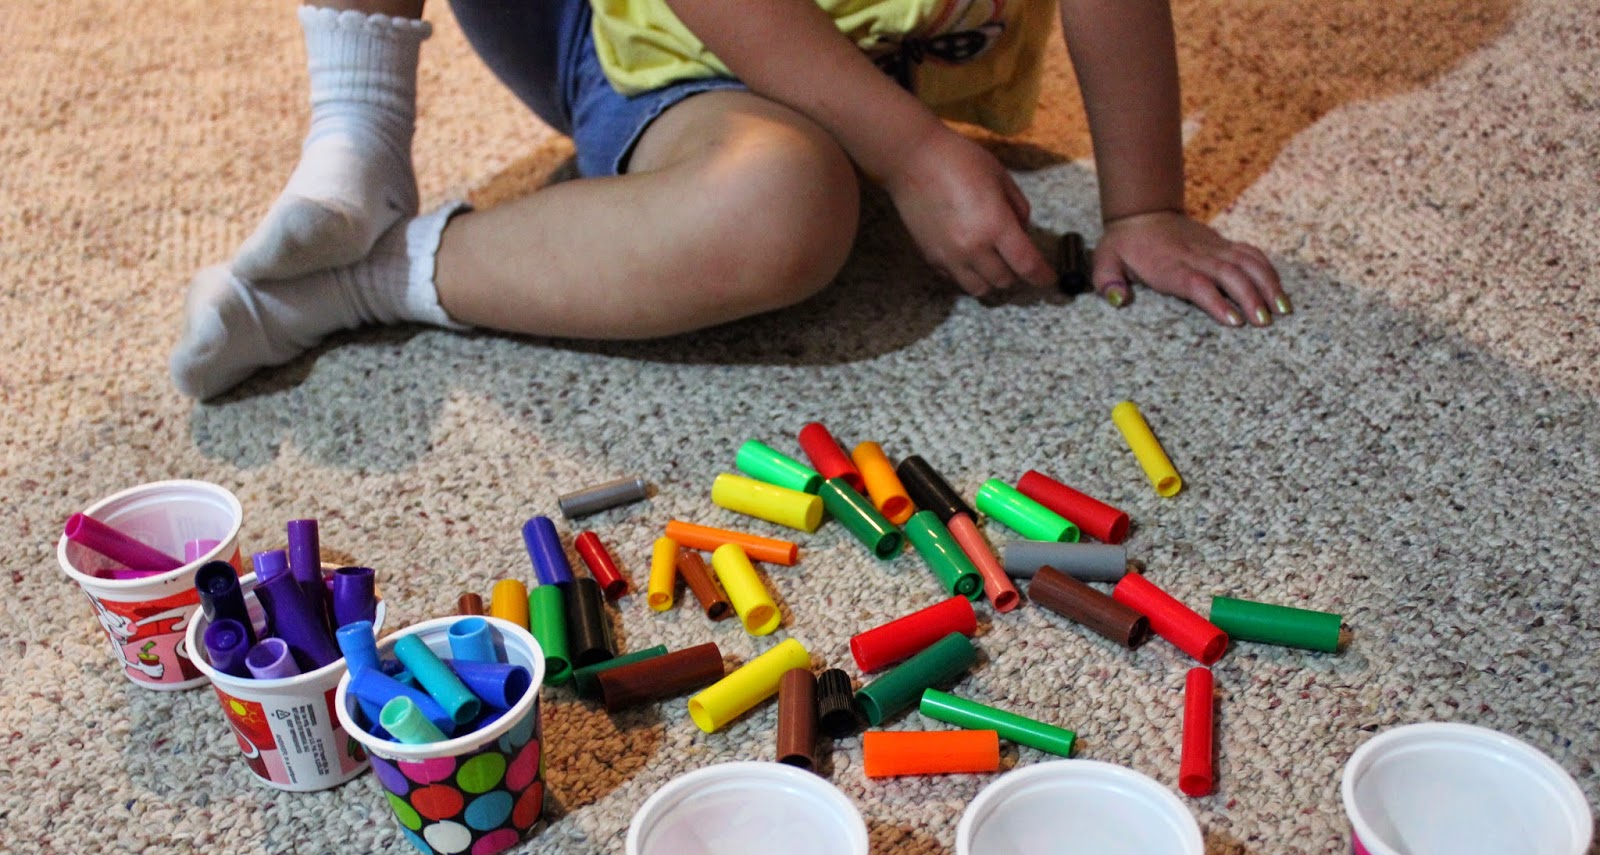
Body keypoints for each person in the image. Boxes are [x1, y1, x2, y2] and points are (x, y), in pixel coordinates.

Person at [170, 0, 1292, 401]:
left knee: (780, 209)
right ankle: (357, 147)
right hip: (633, 34)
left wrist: (1144, 208)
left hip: (815, 74)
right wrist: (908, 154)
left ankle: (366, 274)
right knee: (782, 208)